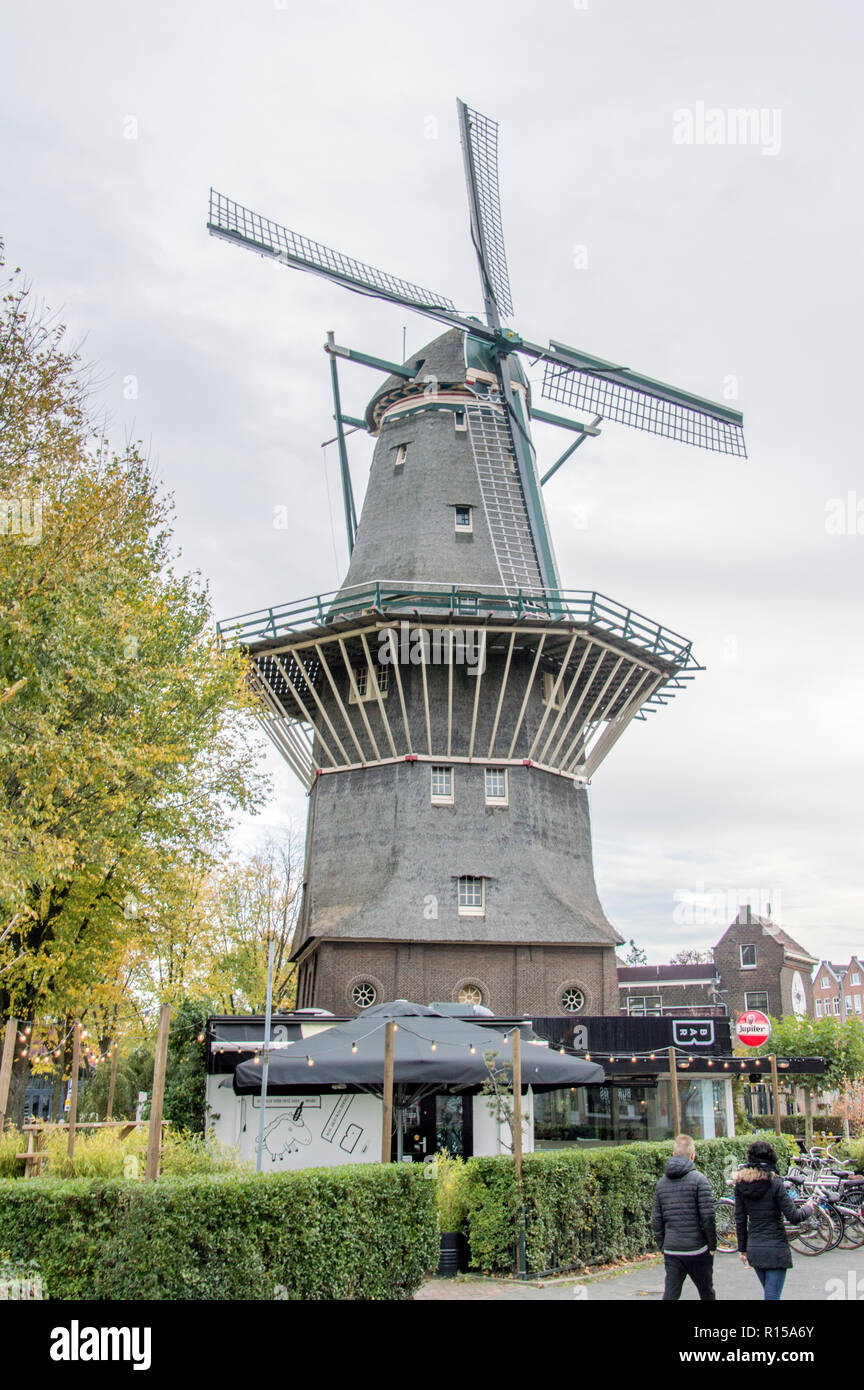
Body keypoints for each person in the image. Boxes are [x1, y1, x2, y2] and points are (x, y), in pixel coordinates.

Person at [734, 1139, 813, 1300]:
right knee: (772, 1296)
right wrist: (808, 1208)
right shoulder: (775, 1183)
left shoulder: (741, 1184)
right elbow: (794, 1217)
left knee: (771, 1294)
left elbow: (740, 1219)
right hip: (775, 1249)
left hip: (754, 1249)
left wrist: (742, 1249)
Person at [652, 1133, 717, 1300]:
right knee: (707, 1292)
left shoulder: (661, 1183)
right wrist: (711, 1245)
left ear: (673, 1154)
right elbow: (707, 1216)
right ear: (693, 1156)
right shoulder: (699, 1180)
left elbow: (657, 1220)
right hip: (697, 1248)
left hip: (673, 1249)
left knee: (671, 1294)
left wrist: (663, 1245)